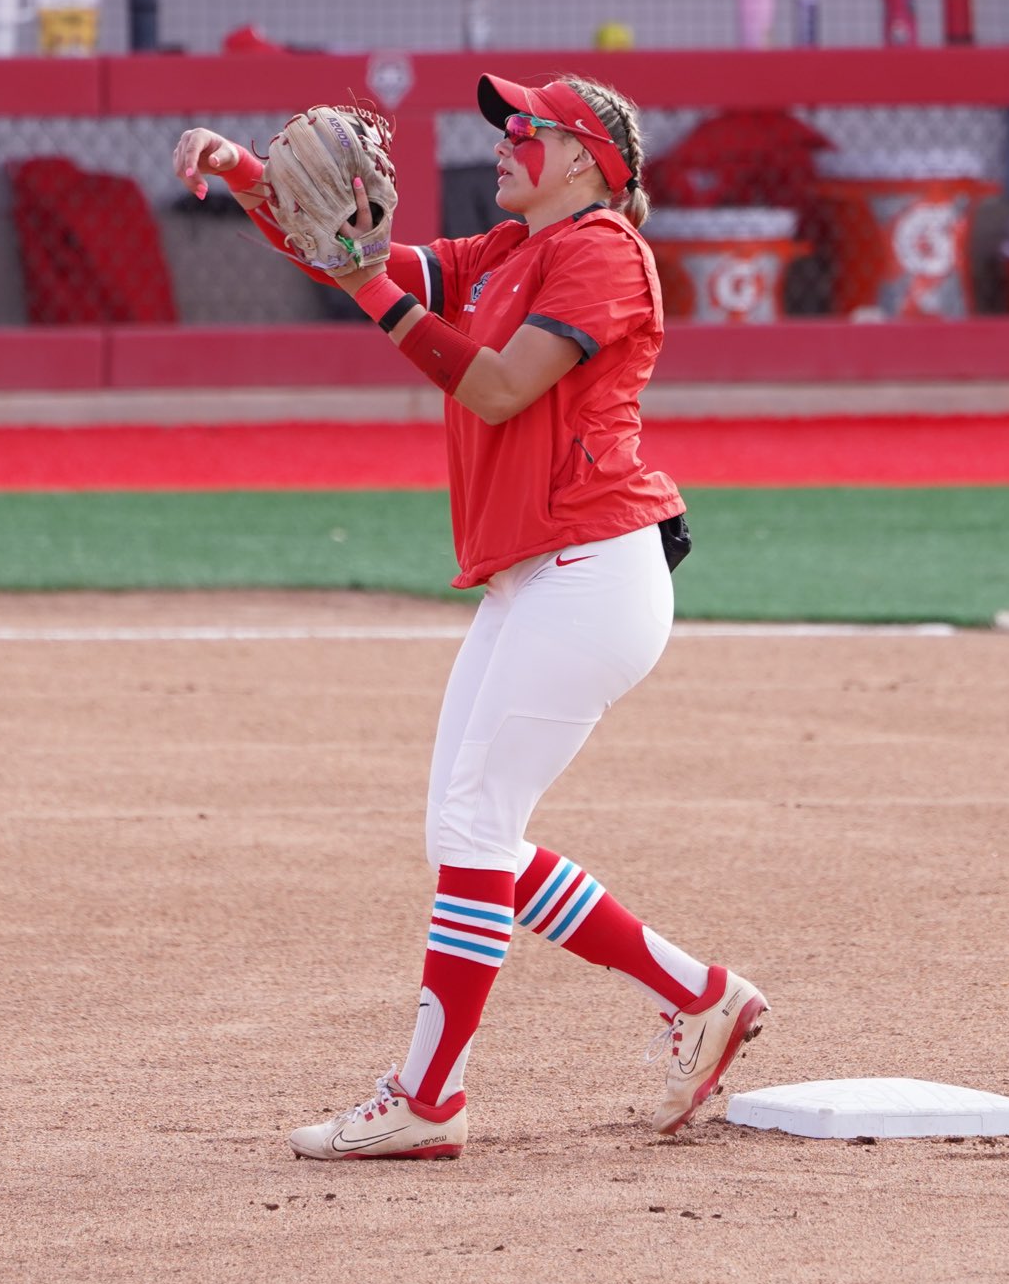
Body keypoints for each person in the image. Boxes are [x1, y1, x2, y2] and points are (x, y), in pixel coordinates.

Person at [172, 75, 768, 1159]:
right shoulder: (507, 251)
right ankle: (701, 991)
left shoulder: (600, 251)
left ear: (586, 160)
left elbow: (495, 388)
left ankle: (428, 1096)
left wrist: (373, 293)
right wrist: (248, 174)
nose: (505, 140)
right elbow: (342, 253)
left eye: (527, 129)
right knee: (470, 827)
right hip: (539, 577)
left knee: (473, 824)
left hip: (594, 573)